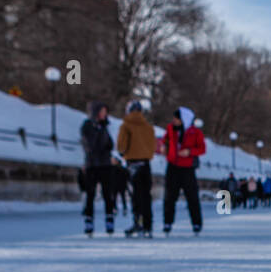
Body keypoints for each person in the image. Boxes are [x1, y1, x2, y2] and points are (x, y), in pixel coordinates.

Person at [161, 106, 205, 235]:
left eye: (177, 118)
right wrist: (164, 146)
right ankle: (167, 222)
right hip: (173, 166)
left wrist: (190, 151)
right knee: (169, 197)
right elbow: (165, 140)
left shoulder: (195, 132)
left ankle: (196, 223)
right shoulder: (170, 129)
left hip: (187, 167)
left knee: (192, 197)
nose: (174, 121)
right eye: (174, 118)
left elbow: (202, 148)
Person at [116, 101, 156, 237]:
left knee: (135, 196)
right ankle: (148, 225)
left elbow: (121, 146)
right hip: (146, 164)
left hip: (133, 164)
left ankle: (137, 222)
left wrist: (123, 153)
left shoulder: (126, 126)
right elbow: (153, 147)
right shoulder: (149, 127)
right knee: (146, 195)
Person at [79, 101, 115, 236]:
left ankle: (109, 219)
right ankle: (89, 221)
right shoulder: (87, 126)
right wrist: (98, 130)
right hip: (92, 165)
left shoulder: (105, 126)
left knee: (108, 194)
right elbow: (90, 146)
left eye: (105, 111)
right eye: (102, 111)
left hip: (105, 165)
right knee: (90, 194)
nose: (105, 114)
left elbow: (110, 144)